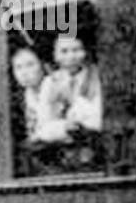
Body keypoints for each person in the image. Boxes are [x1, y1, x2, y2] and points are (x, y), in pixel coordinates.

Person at [35, 35, 104, 170]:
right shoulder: (50, 82)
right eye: (64, 51)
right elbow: (43, 126)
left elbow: (99, 118)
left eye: (76, 50)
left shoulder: (97, 77)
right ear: (56, 56)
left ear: (85, 52)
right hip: (61, 152)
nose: (71, 56)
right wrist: (64, 126)